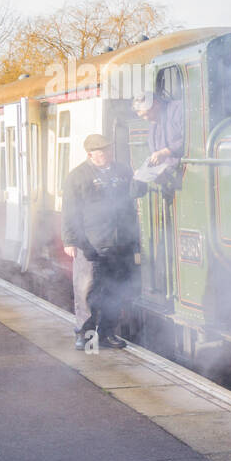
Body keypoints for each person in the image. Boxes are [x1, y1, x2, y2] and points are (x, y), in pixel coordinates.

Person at [61, 134, 144, 349]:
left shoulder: (123, 171)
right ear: (90, 154)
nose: (107, 153)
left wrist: (142, 180)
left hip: (120, 241)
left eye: (108, 149)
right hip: (91, 243)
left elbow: (134, 196)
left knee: (115, 290)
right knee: (87, 291)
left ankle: (107, 333)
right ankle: (85, 335)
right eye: (102, 151)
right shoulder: (76, 177)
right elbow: (69, 211)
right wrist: (70, 240)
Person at [133, 91, 184, 192]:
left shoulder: (179, 109)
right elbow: (156, 152)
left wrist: (166, 152)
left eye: (146, 114)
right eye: (142, 116)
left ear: (156, 104)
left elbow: (192, 139)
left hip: (185, 173)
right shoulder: (154, 121)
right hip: (169, 177)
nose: (145, 119)